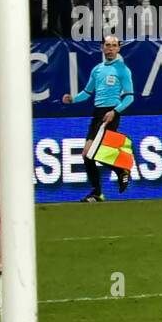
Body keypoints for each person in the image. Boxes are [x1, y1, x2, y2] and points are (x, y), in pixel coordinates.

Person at [62, 35, 134, 202]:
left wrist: (115, 111)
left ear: (118, 48)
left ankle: (119, 172)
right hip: (97, 114)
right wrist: (73, 99)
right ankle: (100, 190)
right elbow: (87, 92)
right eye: (107, 45)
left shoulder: (123, 70)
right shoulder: (97, 69)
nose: (110, 48)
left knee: (93, 152)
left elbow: (130, 97)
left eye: (114, 45)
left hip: (110, 114)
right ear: (102, 47)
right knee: (87, 155)